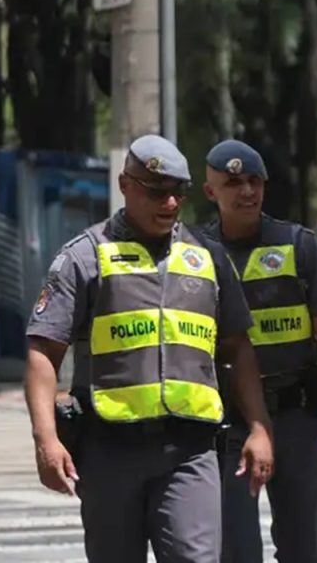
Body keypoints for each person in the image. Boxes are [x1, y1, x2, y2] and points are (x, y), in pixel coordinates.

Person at [23, 135, 276, 563]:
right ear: (125, 184)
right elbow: (43, 352)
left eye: (179, 192)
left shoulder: (208, 259)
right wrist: (45, 439)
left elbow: (238, 348)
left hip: (190, 453)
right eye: (157, 191)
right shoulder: (86, 257)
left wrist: (259, 427)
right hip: (108, 451)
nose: (171, 203)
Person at [200, 139, 317, 563]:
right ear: (210, 191)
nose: (247, 191)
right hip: (228, 425)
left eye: (254, 180)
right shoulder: (196, 254)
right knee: (236, 551)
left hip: (295, 419)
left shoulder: (298, 246)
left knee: (301, 550)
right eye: (233, 181)